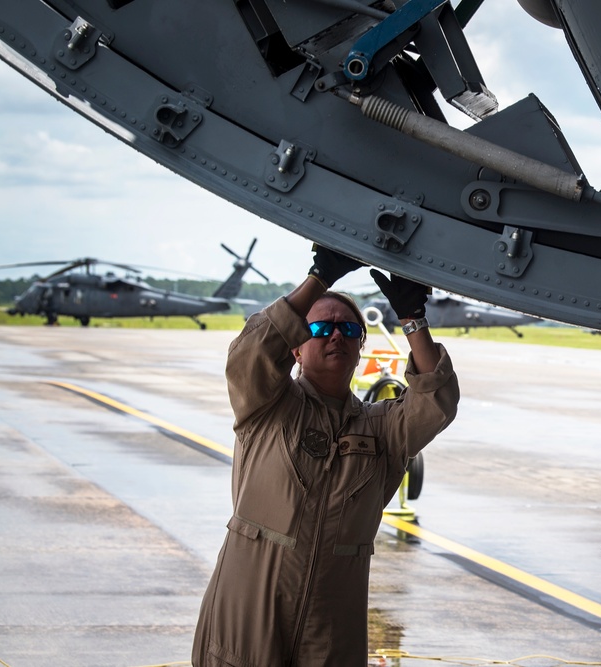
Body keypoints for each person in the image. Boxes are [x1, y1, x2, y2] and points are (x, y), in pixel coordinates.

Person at [192, 246, 460, 667]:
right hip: (249, 618)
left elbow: (437, 401)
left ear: (360, 348)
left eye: (349, 330)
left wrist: (412, 318)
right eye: (320, 328)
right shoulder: (266, 405)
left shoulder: (381, 430)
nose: (336, 335)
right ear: (296, 349)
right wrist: (321, 277)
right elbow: (251, 352)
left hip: (329, 631)